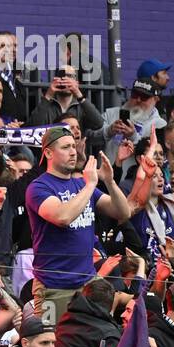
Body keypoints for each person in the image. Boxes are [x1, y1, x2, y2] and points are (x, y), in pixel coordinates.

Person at [27, 126, 141, 324]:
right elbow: (63, 217)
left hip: (88, 283)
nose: (73, 151)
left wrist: (110, 181)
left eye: (73, 146)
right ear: (48, 152)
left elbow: (123, 212)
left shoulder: (81, 186)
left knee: (93, 341)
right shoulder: (39, 187)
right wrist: (90, 185)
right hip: (54, 287)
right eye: (65, 147)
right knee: (50, 345)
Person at [95, 77, 167, 156]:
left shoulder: (160, 125)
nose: (138, 100)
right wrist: (109, 131)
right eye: (135, 95)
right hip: (108, 166)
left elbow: (154, 153)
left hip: (135, 168)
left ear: (155, 99)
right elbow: (90, 137)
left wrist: (133, 136)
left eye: (144, 97)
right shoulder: (111, 113)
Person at [26, 62, 104, 132]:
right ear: (55, 79)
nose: (66, 79)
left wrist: (79, 94)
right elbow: (31, 128)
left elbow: (99, 123)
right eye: (62, 75)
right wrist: (48, 95)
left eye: (70, 76)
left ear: (77, 82)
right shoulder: (46, 104)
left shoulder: (81, 106)